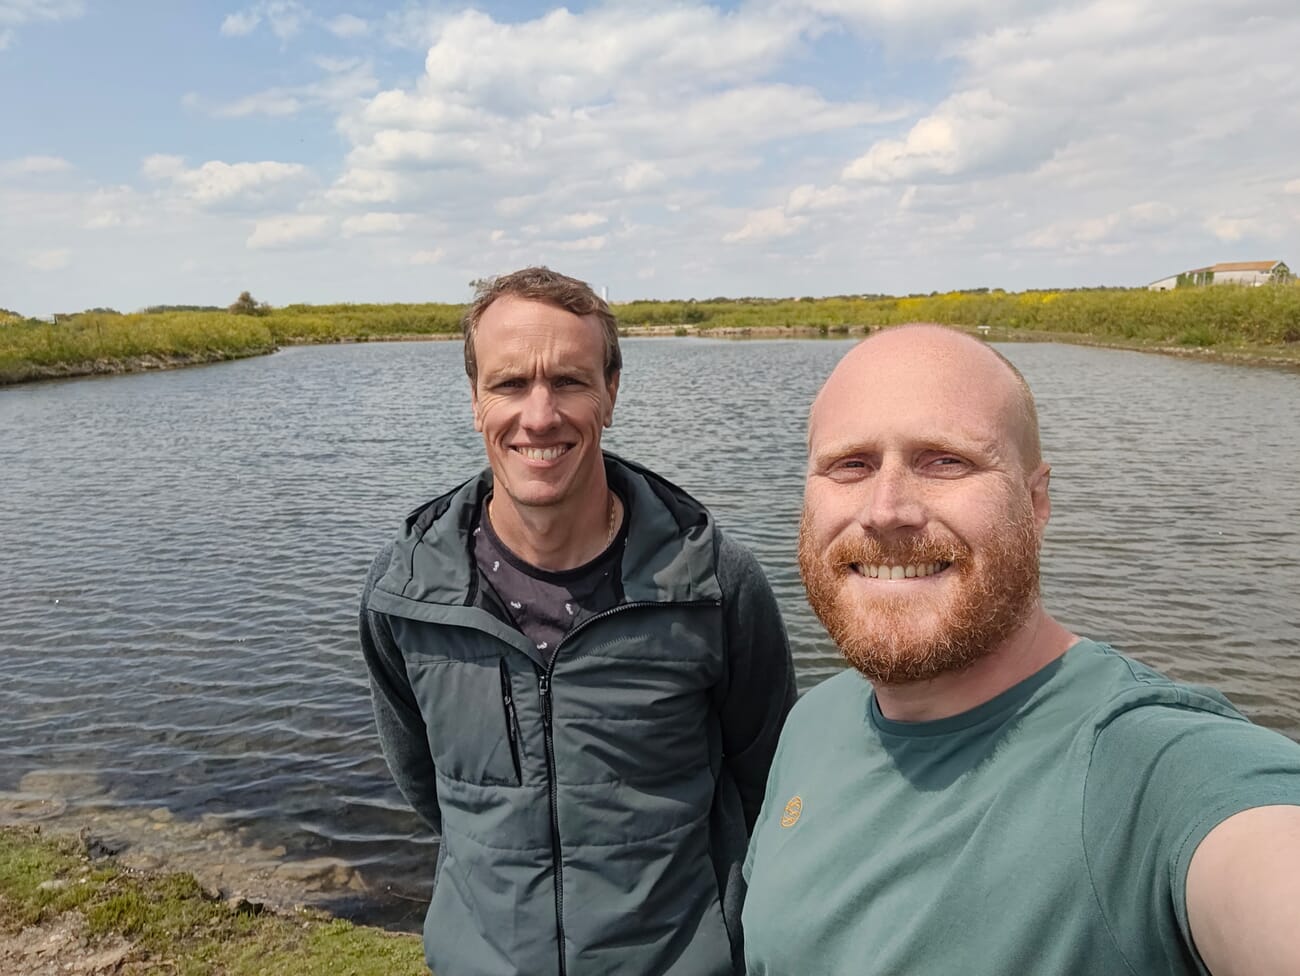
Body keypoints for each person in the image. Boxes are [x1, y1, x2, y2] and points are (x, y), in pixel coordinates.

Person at [742, 324, 1300, 976]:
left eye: (945, 461)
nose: (886, 509)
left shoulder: (1149, 770)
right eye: (851, 465)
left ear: (1035, 502)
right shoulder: (814, 719)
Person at [360, 267, 796, 976]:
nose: (539, 416)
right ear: (474, 400)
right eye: (509, 384)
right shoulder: (404, 595)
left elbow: (769, 782)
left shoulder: (713, 584)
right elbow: (429, 787)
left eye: (568, 381)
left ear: (611, 393)